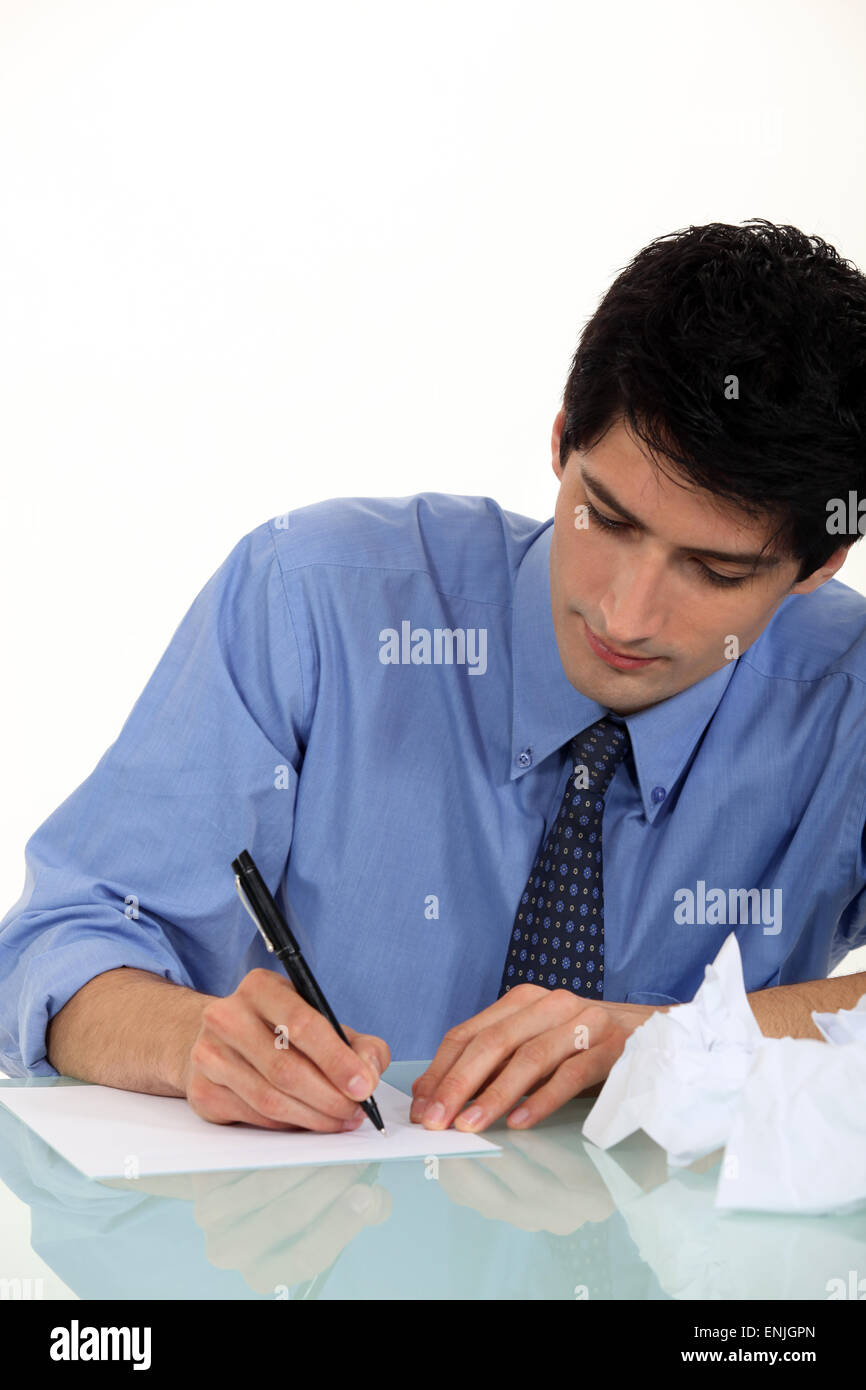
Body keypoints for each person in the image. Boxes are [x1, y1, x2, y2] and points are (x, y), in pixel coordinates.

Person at [2, 218, 866, 1139]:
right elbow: (58, 944)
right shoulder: (313, 603)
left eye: (715, 572)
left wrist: (670, 1042)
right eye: (605, 520)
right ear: (561, 441)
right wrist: (190, 1041)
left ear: (820, 562)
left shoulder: (846, 697)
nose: (626, 614)